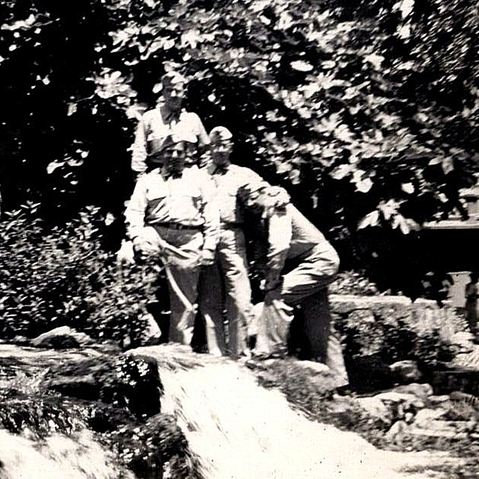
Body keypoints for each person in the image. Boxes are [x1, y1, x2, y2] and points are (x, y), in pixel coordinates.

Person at [240, 183, 349, 387]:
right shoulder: (259, 217)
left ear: (264, 193)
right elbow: (263, 255)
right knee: (319, 321)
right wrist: (267, 272)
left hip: (318, 261)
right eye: (245, 200)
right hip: (308, 263)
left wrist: (272, 278)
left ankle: (268, 355)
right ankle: (338, 380)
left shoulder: (276, 207)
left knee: (277, 296)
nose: (249, 203)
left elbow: (279, 246)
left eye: (252, 197)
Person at [121, 137, 218, 348]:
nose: (174, 156)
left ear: (187, 155)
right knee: (127, 256)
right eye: (169, 152)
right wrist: (137, 237)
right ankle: (138, 333)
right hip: (156, 233)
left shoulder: (200, 179)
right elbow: (135, 212)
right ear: (160, 155)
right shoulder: (148, 180)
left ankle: (178, 348)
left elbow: (211, 214)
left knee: (185, 300)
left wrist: (210, 246)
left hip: (188, 240)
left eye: (179, 152)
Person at [199, 126, 276, 358]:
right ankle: (215, 353)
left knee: (239, 295)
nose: (220, 150)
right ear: (210, 148)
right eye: (216, 145)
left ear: (231, 147)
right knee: (209, 296)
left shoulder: (244, 174)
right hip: (206, 238)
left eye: (225, 145)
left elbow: (267, 191)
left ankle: (239, 353)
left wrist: (278, 193)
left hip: (234, 236)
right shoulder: (199, 175)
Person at [130, 73, 209, 174]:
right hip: (158, 175)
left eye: (177, 91)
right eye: (169, 90)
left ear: (184, 93)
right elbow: (139, 152)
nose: (173, 95)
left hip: (189, 175)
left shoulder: (193, 119)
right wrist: (141, 177)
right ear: (163, 92)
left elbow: (206, 153)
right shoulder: (149, 118)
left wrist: (203, 178)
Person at [465, 271, 479, 336]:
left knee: (471, 318)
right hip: (471, 304)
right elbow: (468, 296)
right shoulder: (472, 286)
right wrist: (476, 296)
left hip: (472, 304)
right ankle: (472, 333)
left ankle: (472, 332)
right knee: (472, 318)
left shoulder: (470, 285)